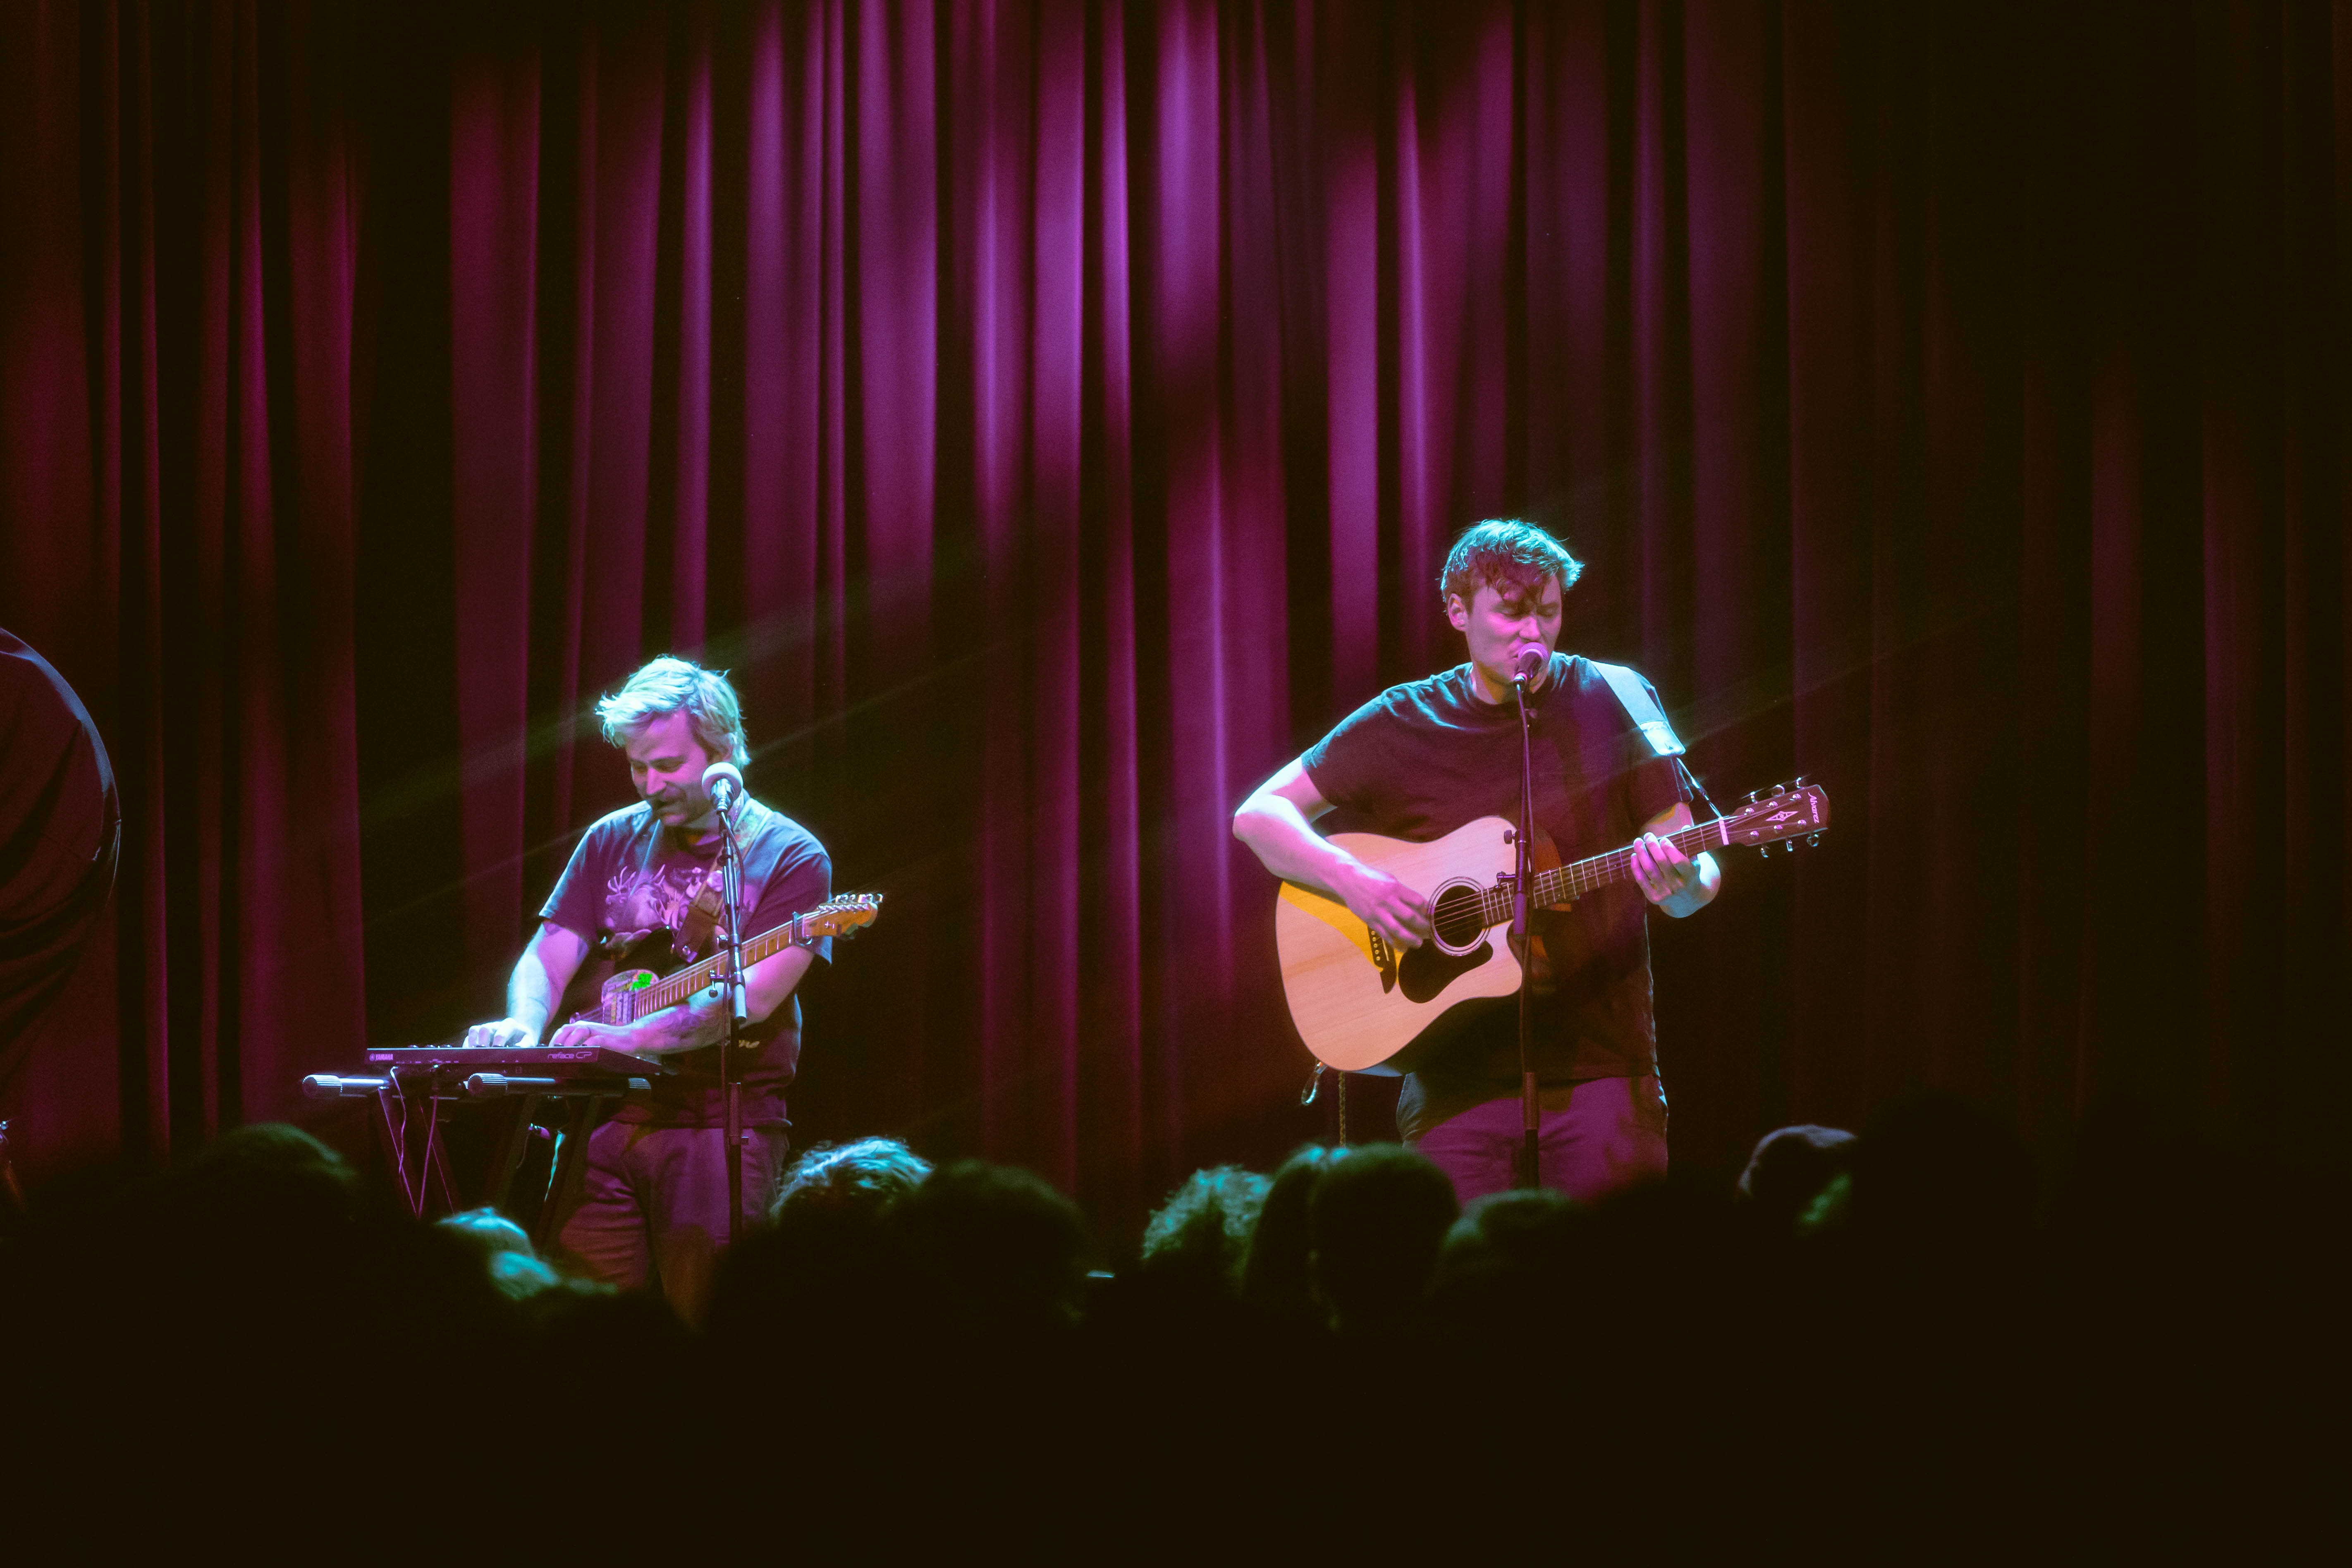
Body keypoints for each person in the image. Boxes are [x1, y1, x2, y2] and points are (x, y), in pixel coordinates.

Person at [1232, 521, 1719, 1205]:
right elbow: (1259, 816)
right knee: (1463, 1274)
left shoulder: (1616, 695)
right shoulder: (1405, 720)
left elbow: (1696, 873)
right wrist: (1357, 883)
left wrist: (1682, 884)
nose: (1534, 633)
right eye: (1512, 612)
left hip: (1604, 1074)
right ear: (1458, 612)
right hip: (1452, 1090)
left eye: (1548, 611)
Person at [464, 656, 832, 1321]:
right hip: (602, 1120)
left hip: (718, 1125)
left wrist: (625, 1039)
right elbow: (549, 953)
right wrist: (525, 1023)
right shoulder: (612, 837)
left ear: (724, 751)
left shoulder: (789, 854)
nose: (650, 784)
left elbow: (748, 1001)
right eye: (638, 767)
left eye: (667, 765)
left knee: (710, 1326)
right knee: (578, 1326)